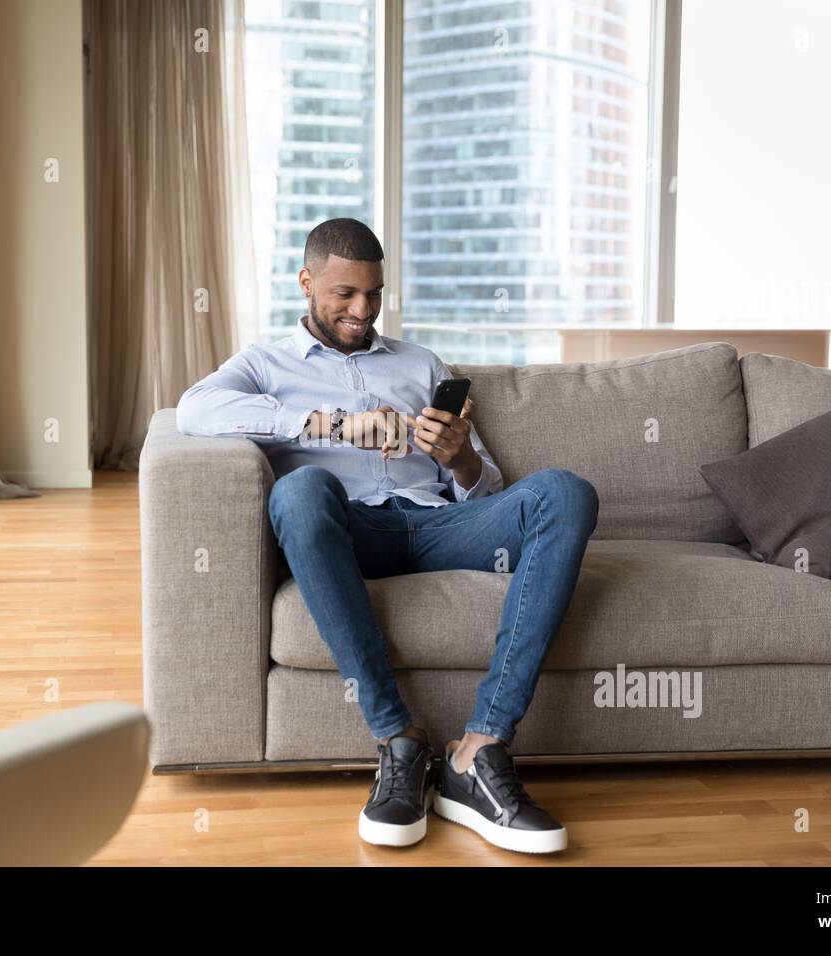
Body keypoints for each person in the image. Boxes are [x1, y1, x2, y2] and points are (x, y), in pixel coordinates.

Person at [176, 217, 598, 853]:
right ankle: (397, 739)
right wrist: (330, 425)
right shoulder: (265, 363)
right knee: (298, 489)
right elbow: (194, 409)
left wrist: (459, 459)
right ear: (306, 282)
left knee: (565, 491)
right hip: (352, 530)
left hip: (438, 524)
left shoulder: (420, 362)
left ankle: (478, 753)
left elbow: (485, 489)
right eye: (344, 294)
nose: (361, 309)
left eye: (373, 294)